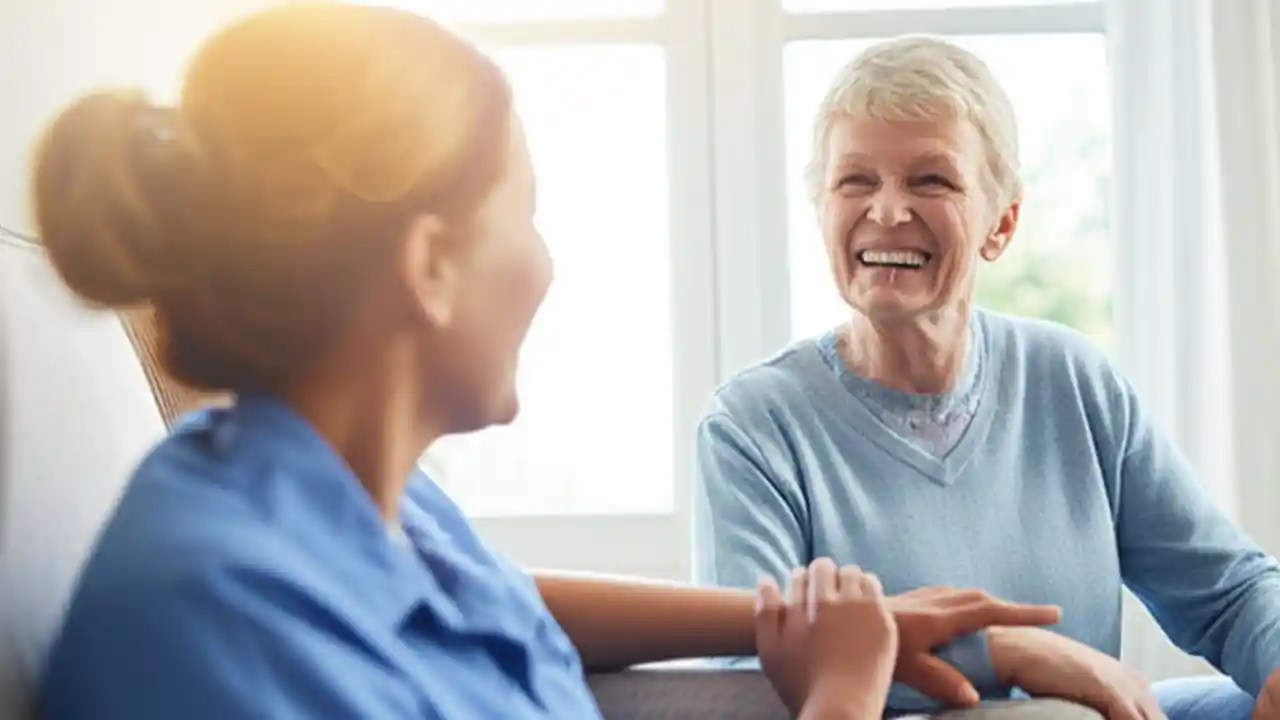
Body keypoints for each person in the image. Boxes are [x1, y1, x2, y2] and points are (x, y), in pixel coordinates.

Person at [30, 6, 1058, 718]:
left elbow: (500, 598)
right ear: (429, 265)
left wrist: (792, 620)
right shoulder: (223, 617)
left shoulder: (347, 498)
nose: (545, 265)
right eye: (521, 215)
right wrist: (834, 694)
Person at [694, 34, 1280, 720]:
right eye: (855, 181)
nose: (886, 211)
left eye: (930, 180)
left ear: (1000, 224)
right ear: (823, 210)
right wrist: (1000, 653)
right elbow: (749, 676)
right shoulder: (753, 424)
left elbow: (1228, 592)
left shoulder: (1073, 380)